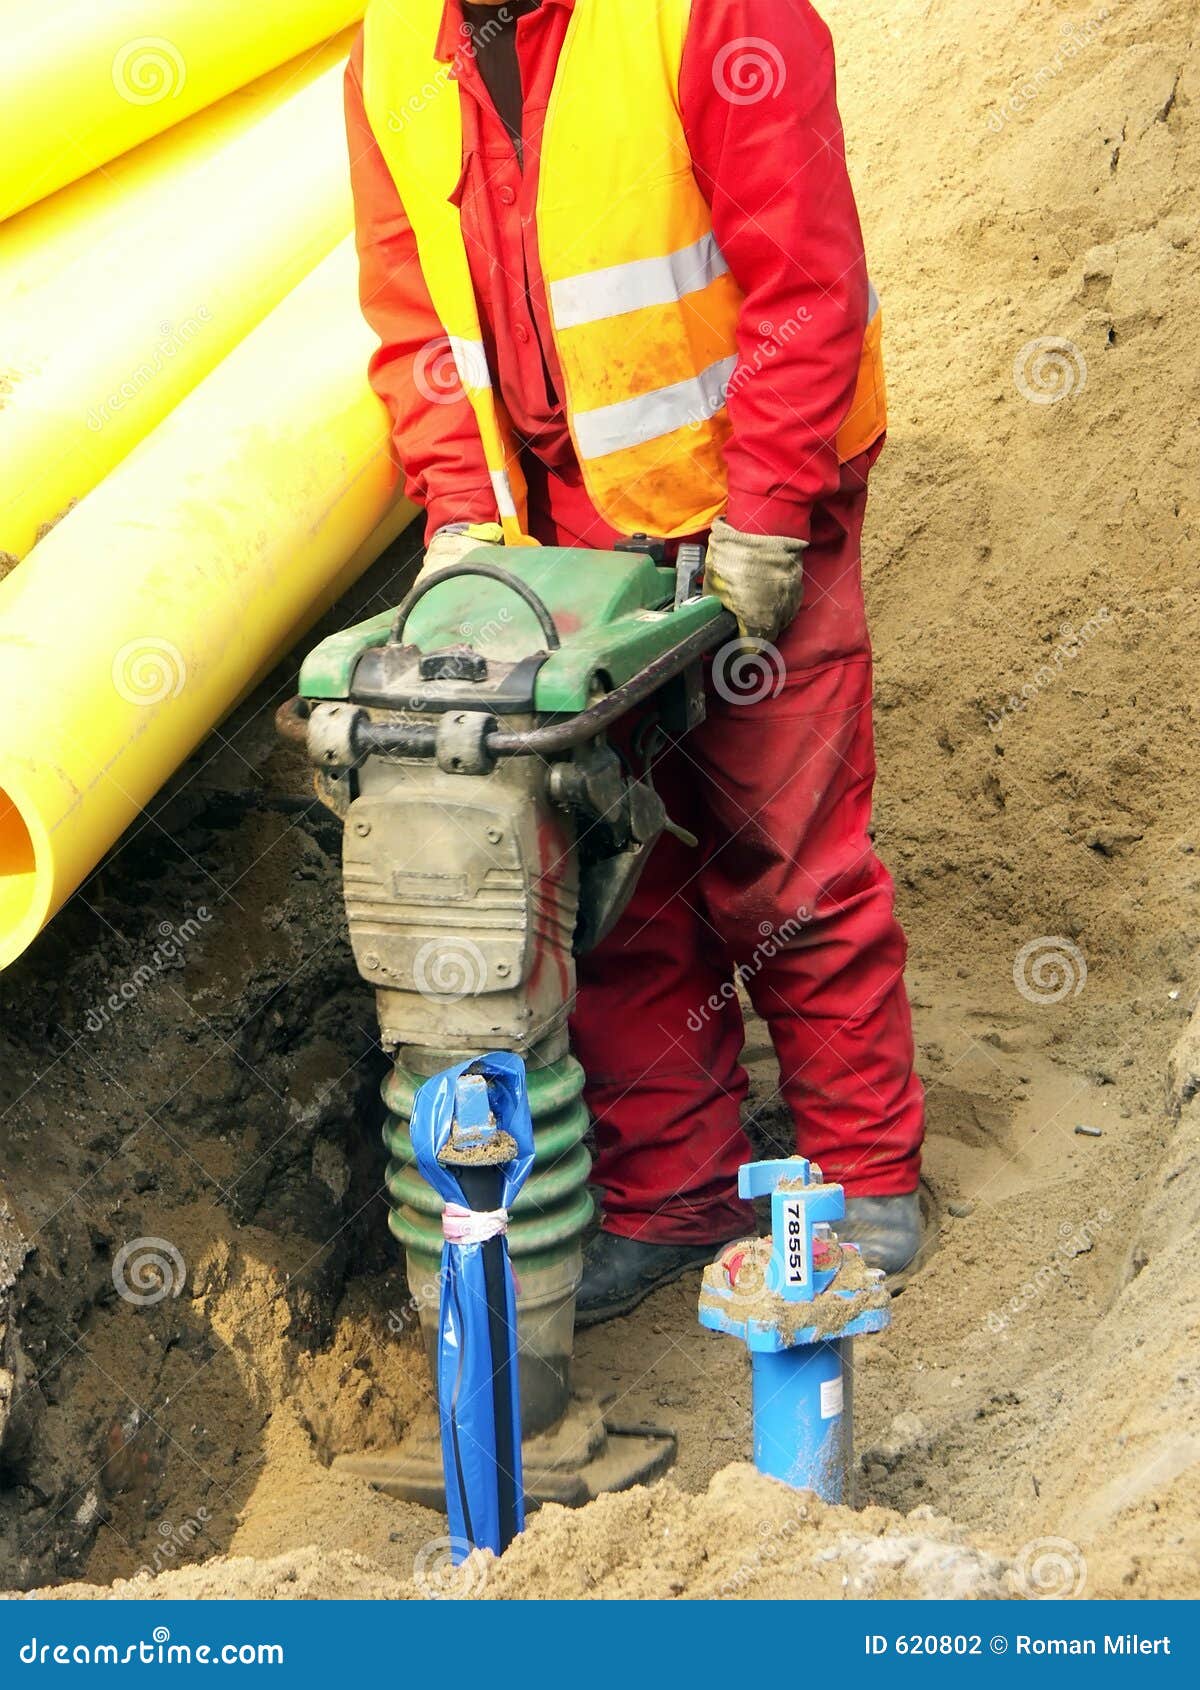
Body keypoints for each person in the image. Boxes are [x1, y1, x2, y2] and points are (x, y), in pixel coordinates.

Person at [345, 0, 925, 1325]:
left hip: (749, 502)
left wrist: (772, 512)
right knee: (612, 876)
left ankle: (866, 1181)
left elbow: (805, 284)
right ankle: (675, 1190)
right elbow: (412, 317)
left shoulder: (710, 14)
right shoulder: (391, 50)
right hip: (560, 539)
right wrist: (457, 520)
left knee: (788, 861)